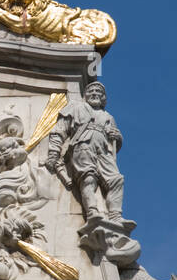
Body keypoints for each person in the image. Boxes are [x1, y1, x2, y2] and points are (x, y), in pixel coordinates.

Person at [46, 81, 124, 220]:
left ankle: (115, 215)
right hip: (83, 147)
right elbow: (59, 131)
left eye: (98, 92)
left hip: (104, 152)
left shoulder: (108, 117)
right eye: (91, 91)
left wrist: (118, 138)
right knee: (88, 178)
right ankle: (92, 212)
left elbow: (114, 144)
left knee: (116, 180)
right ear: (85, 95)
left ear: (103, 97)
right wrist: (53, 153)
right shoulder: (75, 108)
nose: (94, 93)